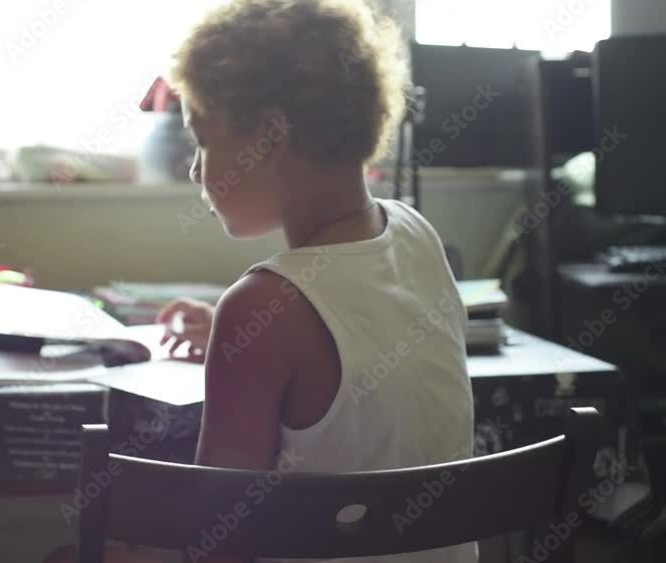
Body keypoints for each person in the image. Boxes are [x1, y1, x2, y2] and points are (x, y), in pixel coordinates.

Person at [149, 1, 477, 562]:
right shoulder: (417, 234)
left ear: (273, 133)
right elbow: (367, 364)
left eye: (202, 140)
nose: (196, 170)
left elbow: (216, 542)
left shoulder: (262, 307)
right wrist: (244, 339)